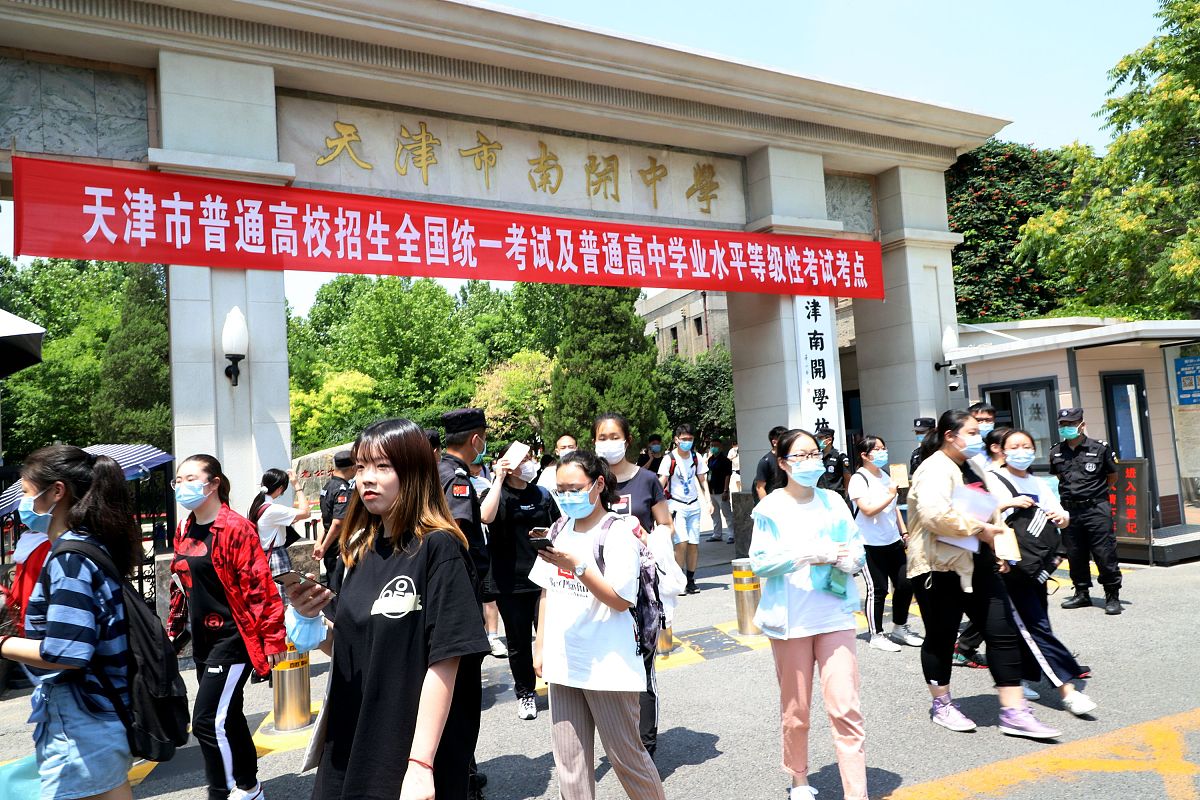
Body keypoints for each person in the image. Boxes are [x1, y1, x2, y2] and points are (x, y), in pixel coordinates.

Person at [286, 418, 490, 800]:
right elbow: (358, 646)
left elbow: (446, 660)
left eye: (383, 467)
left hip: (407, 750)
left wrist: (421, 763)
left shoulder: (440, 549)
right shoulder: (361, 550)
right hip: (351, 740)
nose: (367, 478)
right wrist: (312, 622)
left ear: (413, 471)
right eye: (362, 466)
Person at [906, 411, 1061, 739]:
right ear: (951, 435)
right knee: (941, 637)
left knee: (1002, 632)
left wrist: (1000, 549)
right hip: (939, 568)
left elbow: (991, 511)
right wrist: (983, 530)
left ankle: (1014, 711)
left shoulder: (974, 466)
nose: (981, 436)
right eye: (973, 431)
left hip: (980, 564)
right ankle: (942, 704)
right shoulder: (933, 468)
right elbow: (935, 516)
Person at [0, 445, 139, 800]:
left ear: (57, 491)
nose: (24, 505)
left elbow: (66, 652)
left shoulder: (69, 559)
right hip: (99, 716)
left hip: (81, 721)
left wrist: (2, 642)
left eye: (28, 493)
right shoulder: (90, 546)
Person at [531, 449, 667, 800]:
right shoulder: (559, 528)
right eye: (561, 490)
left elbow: (620, 600)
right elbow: (547, 590)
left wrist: (578, 564)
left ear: (598, 484)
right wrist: (540, 644)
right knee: (570, 766)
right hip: (564, 662)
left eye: (575, 488)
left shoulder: (618, 533)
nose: (567, 496)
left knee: (627, 759)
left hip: (608, 664)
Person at [749, 429, 867, 800]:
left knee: (846, 707)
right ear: (782, 463)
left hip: (835, 616)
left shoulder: (833, 500)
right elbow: (760, 563)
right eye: (799, 456)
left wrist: (851, 560)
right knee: (796, 710)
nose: (809, 461)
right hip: (791, 623)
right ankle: (799, 778)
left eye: (813, 453)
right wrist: (807, 553)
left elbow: (857, 548)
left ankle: (856, 792)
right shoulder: (770, 508)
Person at [168, 453, 288, 800]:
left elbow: (260, 588)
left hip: (233, 638)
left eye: (192, 478)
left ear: (214, 483)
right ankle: (250, 786)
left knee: (207, 720)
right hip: (203, 640)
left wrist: (273, 641)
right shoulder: (185, 528)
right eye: (179, 480)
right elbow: (181, 583)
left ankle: (222, 791)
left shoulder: (236, 527)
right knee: (229, 713)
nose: (183, 486)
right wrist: (174, 631)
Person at [985, 428, 1099, 717]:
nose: (1021, 451)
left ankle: (1022, 677)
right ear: (1002, 450)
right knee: (1035, 627)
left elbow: (1060, 515)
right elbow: (980, 515)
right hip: (1010, 565)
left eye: (1027, 445)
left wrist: (1062, 517)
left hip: (1038, 564)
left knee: (1034, 622)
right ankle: (1067, 691)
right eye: (1015, 446)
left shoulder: (1038, 482)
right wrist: (1009, 503)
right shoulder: (992, 479)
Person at [593, 412, 681, 760]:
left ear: (627, 440)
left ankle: (646, 746)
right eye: (602, 436)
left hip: (642, 592)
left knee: (643, 667)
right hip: (599, 588)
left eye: (615, 436)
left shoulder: (647, 481)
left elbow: (666, 524)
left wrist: (648, 538)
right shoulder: (593, 480)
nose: (608, 442)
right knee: (609, 667)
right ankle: (621, 740)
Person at [479, 442, 559, 721]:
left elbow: (559, 526)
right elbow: (484, 516)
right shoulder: (497, 494)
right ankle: (526, 693)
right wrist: (498, 479)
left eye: (530, 457)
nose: (529, 462)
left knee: (550, 636)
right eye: (522, 458)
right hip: (510, 582)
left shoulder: (543, 494)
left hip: (545, 578)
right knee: (519, 642)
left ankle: (558, 687)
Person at [437, 408, 491, 797]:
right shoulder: (456, 478)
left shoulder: (435, 471)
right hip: (459, 596)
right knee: (463, 694)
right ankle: (462, 776)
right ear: (476, 439)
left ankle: (461, 769)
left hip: (443, 595)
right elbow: (460, 535)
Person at [847, 436, 922, 653]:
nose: (883, 452)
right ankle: (876, 633)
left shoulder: (884, 475)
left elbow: (894, 507)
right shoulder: (859, 479)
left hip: (892, 540)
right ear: (864, 455)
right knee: (877, 590)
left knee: (906, 584)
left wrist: (904, 531)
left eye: (883, 447)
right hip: (869, 544)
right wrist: (890, 496)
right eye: (877, 449)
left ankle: (899, 627)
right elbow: (868, 510)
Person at [1048, 407, 1122, 615]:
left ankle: (1112, 594)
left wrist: (1095, 494)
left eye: (1071, 424)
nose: (1067, 428)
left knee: (1104, 552)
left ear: (1082, 425)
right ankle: (1082, 593)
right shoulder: (1056, 451)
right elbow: (1059, 477)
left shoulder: (1100, 448)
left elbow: (1112, 476)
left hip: (1096, 508)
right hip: (1070, 511)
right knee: (1075, 553)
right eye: (1063, 425)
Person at [658, 423, 713, 594]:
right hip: (676, 505)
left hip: (694, 505)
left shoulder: (696, 457)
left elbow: (703, 479)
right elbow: (662, 482)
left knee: (693, 544)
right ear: (676, 440)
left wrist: (708, 500)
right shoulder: (670, 459)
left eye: (690, 439)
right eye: (684, 439)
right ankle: (678, 579)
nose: (687, 442)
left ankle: (691, 580)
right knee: (681, 543)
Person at [247, 467, 310, 585]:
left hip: (261, 556)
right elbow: (306, 512)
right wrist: (297, 485)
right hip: (275, 557)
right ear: (280, 488)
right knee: (281, 598)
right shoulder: (273, 509)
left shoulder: (256, 505)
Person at [314, 451, 355, 593]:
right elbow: (338, 523)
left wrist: (320, 543)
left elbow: (324, 519)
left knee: (332, 582)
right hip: (338, 544)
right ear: (352, 468)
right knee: (340, 585)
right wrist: (323, 547)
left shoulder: (327, 487)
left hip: (329, 543)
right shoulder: (342, 489)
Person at [705, 438, 735, 544]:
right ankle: (717, 534)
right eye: (712, 445)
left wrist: (725, 490)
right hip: (711, 491)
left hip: (721, 491)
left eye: (716, 445)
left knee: (727, 513)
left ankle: (732, 534)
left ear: (721, 447)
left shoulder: (725, 461)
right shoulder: (710, 459)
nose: (713, 447)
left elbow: (727, 476)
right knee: (714, 514)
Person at [815, 427, 853, 504]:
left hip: (836, 494)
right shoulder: (817, 455)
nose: (818, 440)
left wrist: (846, 493)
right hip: (820, 494)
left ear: (829, 440)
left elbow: (847, 476)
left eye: (820, 438)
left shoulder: (839, 455)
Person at [755, 426, 789, 503]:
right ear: (774, 442)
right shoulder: (765, 461)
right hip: (775, 503)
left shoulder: (790, 458)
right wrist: (767, 507)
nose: (787, 442)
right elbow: (760, 487)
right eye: (784, 439)